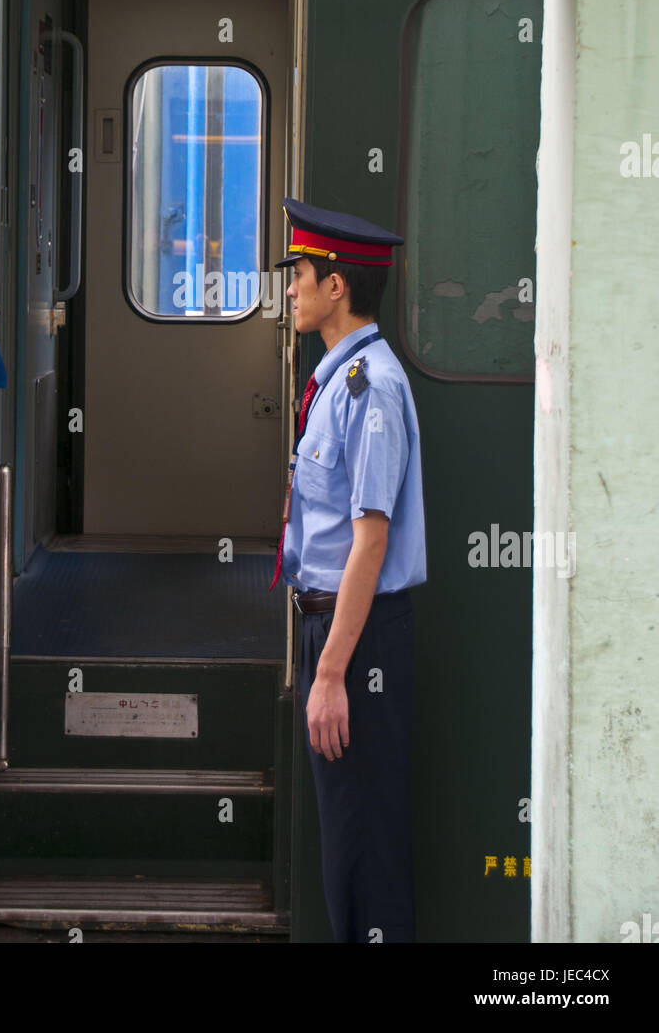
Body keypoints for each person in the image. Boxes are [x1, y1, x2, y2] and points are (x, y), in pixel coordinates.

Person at [271, 197, 427, 943]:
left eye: (299, 273)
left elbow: (370, 543)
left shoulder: (370, 389)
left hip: (355, 640)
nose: (291, 287)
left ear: (337, 286)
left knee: (365, 849)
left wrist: (331, 673)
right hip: (333, 629)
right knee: (348, 844)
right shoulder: (339, 379)